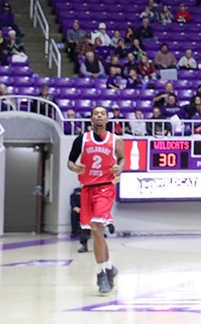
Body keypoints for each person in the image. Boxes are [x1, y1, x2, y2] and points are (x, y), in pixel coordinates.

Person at [67, 106, 124, 293]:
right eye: (96, 113)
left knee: (96, 228)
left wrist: (120, 168)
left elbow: (122, 159)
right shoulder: (81, 139)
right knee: (97, 233)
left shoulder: (116, 139)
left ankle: (101, 274)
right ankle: (109, 267)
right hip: (87, 189)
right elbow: (70, 161)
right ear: (91, 118)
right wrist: (75, 168)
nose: (99, 115)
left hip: (105, 188)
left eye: (103, 113)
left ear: (107, 118)